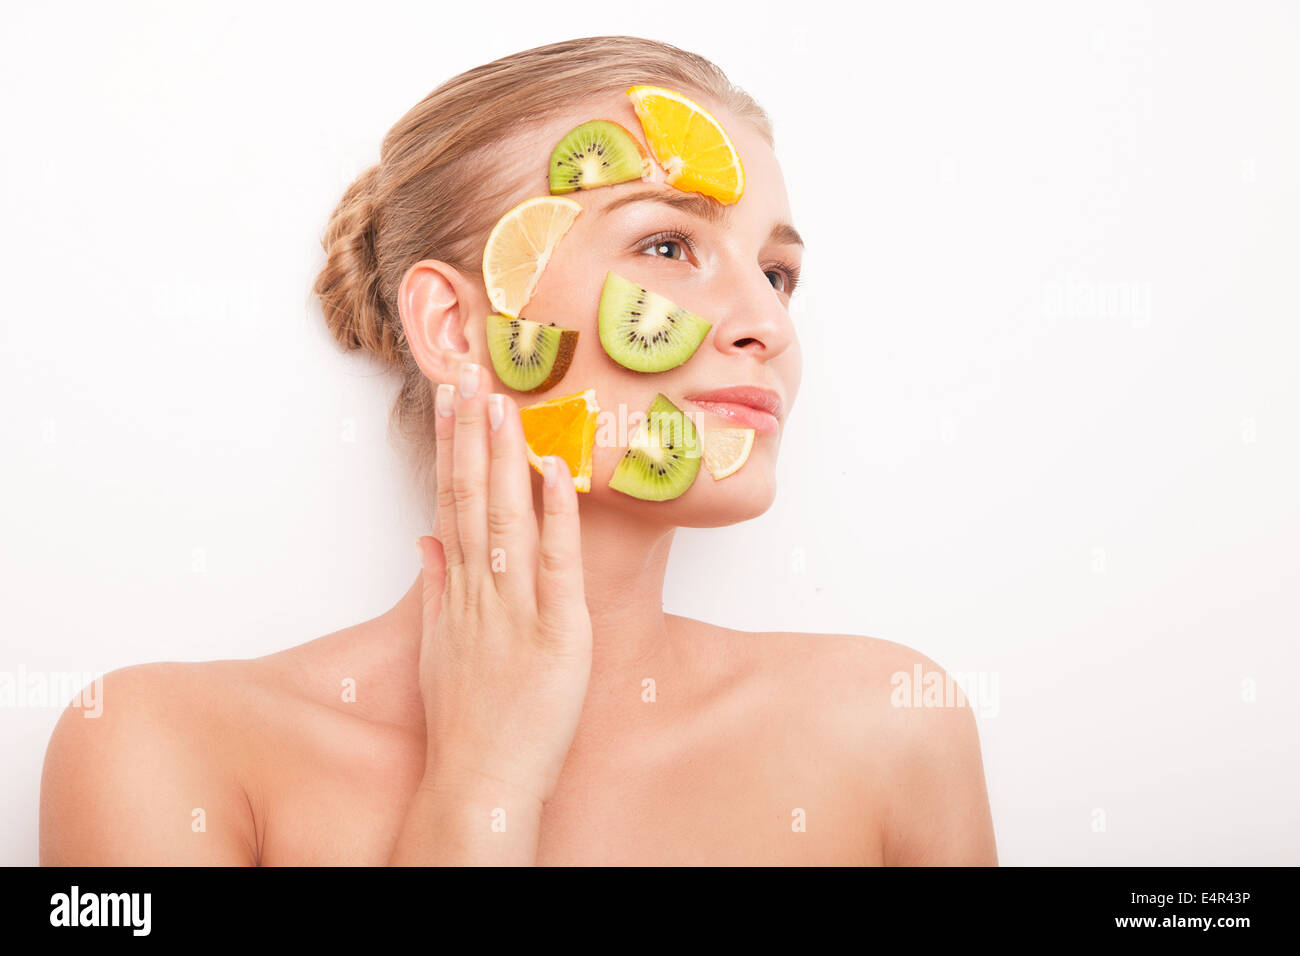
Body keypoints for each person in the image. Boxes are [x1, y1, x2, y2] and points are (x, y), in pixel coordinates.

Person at [40, 35, 997, 865]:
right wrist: (482, 783)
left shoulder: (891, 730)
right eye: (667, 246)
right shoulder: (164, 751)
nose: (766, 325)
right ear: (455, 328)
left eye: (779, 273)